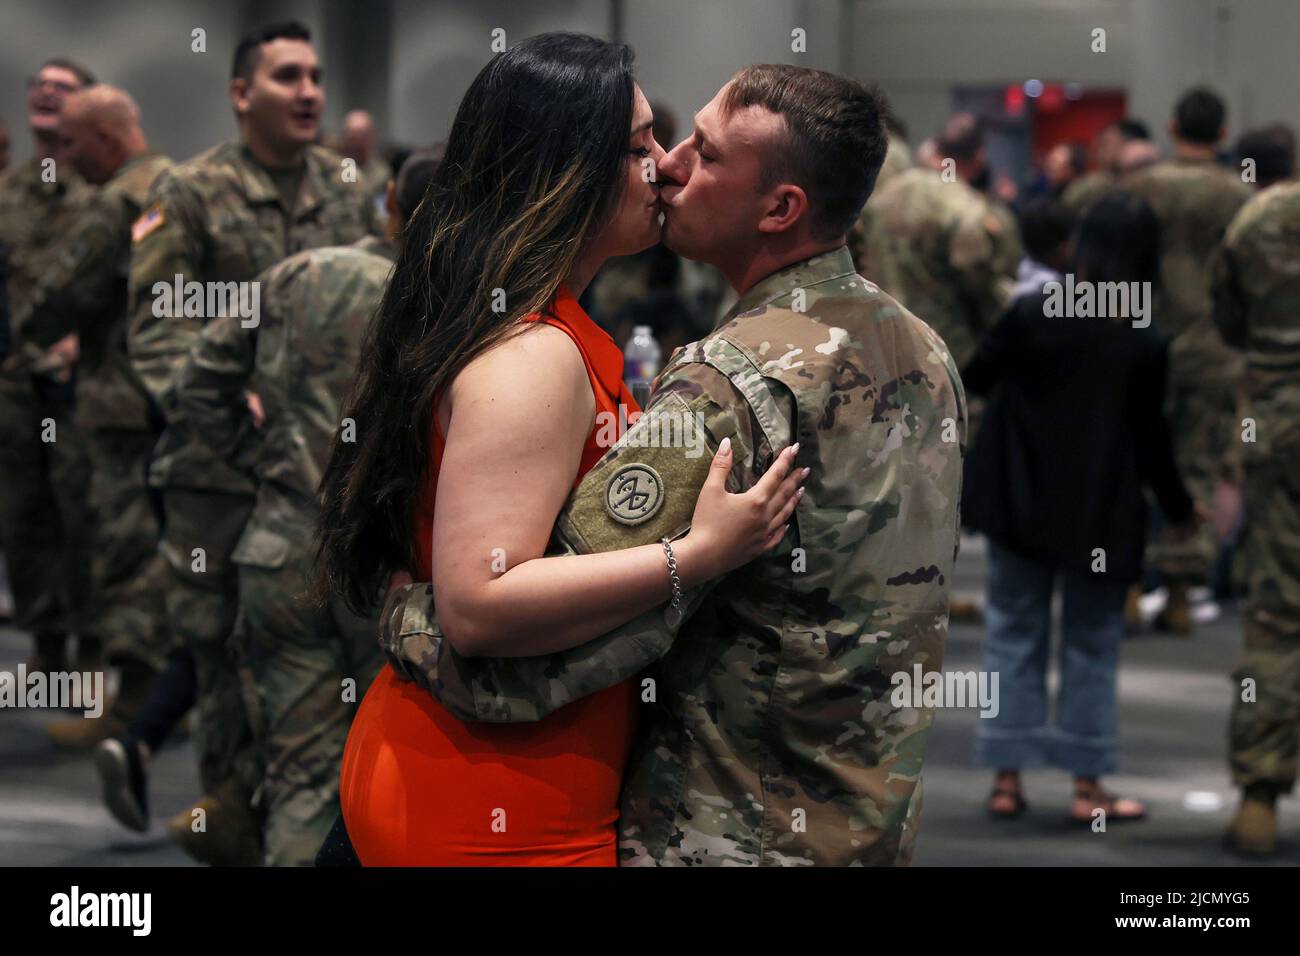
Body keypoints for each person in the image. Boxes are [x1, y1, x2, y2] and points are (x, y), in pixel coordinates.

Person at [374, 61, 965, 867]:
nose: (671, 164)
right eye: (656, 142)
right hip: (867, 821)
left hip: (724, 827)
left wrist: (408, 618)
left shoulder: (730, 379)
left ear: (781, 208)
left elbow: (538, 641)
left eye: (705, 153)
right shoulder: (924, 349)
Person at [315, 34, 802, 867]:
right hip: (490, 798)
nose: (666, 165)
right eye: (639, 144)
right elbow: (479, 602)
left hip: (500, 765)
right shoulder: (534, 353)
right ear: (566, 170)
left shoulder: (542, 327)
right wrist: (699, 555)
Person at [127, 19, 376, 865]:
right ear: (241, 93)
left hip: (320, 474)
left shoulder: (349, 187)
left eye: (314, 75)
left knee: (316, 682)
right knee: (225, 673)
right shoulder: (188, 193)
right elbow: (160, 330)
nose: (309, 91)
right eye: (286, 77)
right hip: (220, 474)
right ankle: (229, 829)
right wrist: (232, 406)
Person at [171, 151, 440, 865]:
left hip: (282, 547)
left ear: (388, 202)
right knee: (392, 778)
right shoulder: (450, 304)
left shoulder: (301, 272)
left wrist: (262, 459)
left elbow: (198, 380)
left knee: (300, 777)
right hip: (391, 567)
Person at [961, 192, 1199, 824]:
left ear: (1082, 243)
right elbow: (1152, 440)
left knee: (1012, 632)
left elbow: (974, 378)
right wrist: (1178, 508)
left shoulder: (1032, 311)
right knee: (1092, 643)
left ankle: (1007, 781)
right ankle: (1087, 791)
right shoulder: (1145, 336)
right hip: (1101, 509)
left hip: (1020, 497)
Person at [17, 85, 176, 752]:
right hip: (184, 401)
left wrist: (31, 331)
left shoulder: (115, 203)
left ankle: (134, 705)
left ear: (107, 138)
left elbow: (56, 296)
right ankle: (175, 693)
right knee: (174, 549)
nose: (64, 157)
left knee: (124, 550)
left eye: (72, 143)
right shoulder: (183, 182)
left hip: (119, 404)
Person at [1124, 87, 1253, 634]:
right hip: (1212, 350)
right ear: (1222, 134)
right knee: (1197, 466)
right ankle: (1180, 591)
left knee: (1132, 462)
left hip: (1142, 342)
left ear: (1173, 127)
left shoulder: (1139, 188)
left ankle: (1127, 582)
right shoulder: (1240, 197)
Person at [0, 57, 98, 676]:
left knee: (83, 514)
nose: (45, 93)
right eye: (39, 85)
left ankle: (93, 643)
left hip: (79, 383)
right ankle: (46, 644)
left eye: (61, 87)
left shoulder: (101, 197)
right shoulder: (6, 193)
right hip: (13, 381)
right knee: (21, 515)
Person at [1211, 178, 1300, 857]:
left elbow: (1230, 319)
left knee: (1276, 614)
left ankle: (1259, 800)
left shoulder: (1261, 216)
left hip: (1278, 432)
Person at [861, 112, 1019, 372]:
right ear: (979, 158)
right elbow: (981, 287)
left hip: (879, 344)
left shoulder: (881, 196)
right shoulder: (965, 206)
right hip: (945, 353)